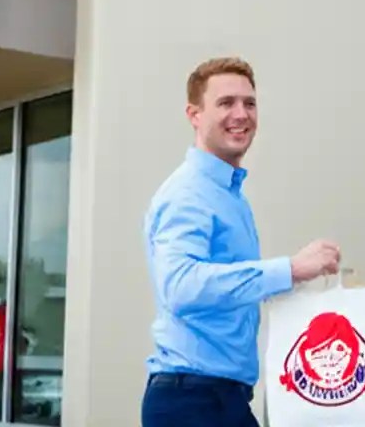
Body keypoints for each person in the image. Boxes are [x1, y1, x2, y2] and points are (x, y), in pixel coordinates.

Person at [141, 56, 342, 426]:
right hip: (193, 402)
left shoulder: (230, 196)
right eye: (225, 103)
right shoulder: (188, 194)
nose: (242, 114)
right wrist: (290, 270)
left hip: (219, 398)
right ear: (194, 114)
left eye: (249, 103)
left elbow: (228, 292)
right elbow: (181, 287)